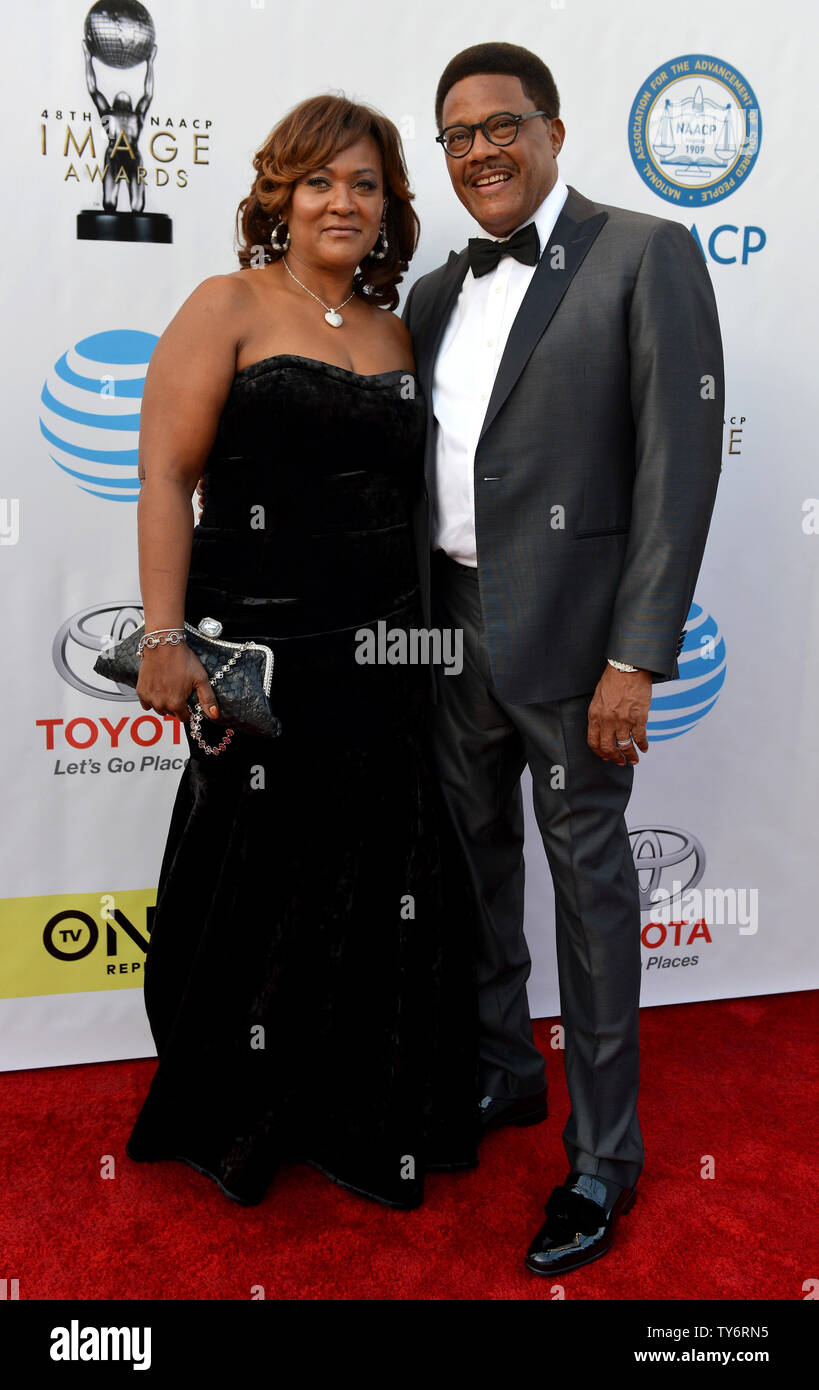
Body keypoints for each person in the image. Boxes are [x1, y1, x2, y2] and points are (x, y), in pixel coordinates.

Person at [402, 42, 724, 1272]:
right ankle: (501, 1075)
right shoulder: (435, 294)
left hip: (582, 649)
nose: (480, 149)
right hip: (448, 632)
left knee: (590, 899)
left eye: (502, 125)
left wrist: (637, 656)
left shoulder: (645, 254)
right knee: (476, 868)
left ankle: (603, 1158)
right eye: (458, 135)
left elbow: (676, 473)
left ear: (551, 130)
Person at [125, 94, 479, 1211]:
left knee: (378, 885)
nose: (344, 201)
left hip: (379, 651)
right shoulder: (226, 303)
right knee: (250, 878)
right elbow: (163, 478)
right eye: (321, 181)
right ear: (279, 193)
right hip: (258, 659)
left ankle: (355, 1105)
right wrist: (167, 635)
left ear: (390, 206)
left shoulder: (396, 328)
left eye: (366, 184)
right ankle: (241, 1106)